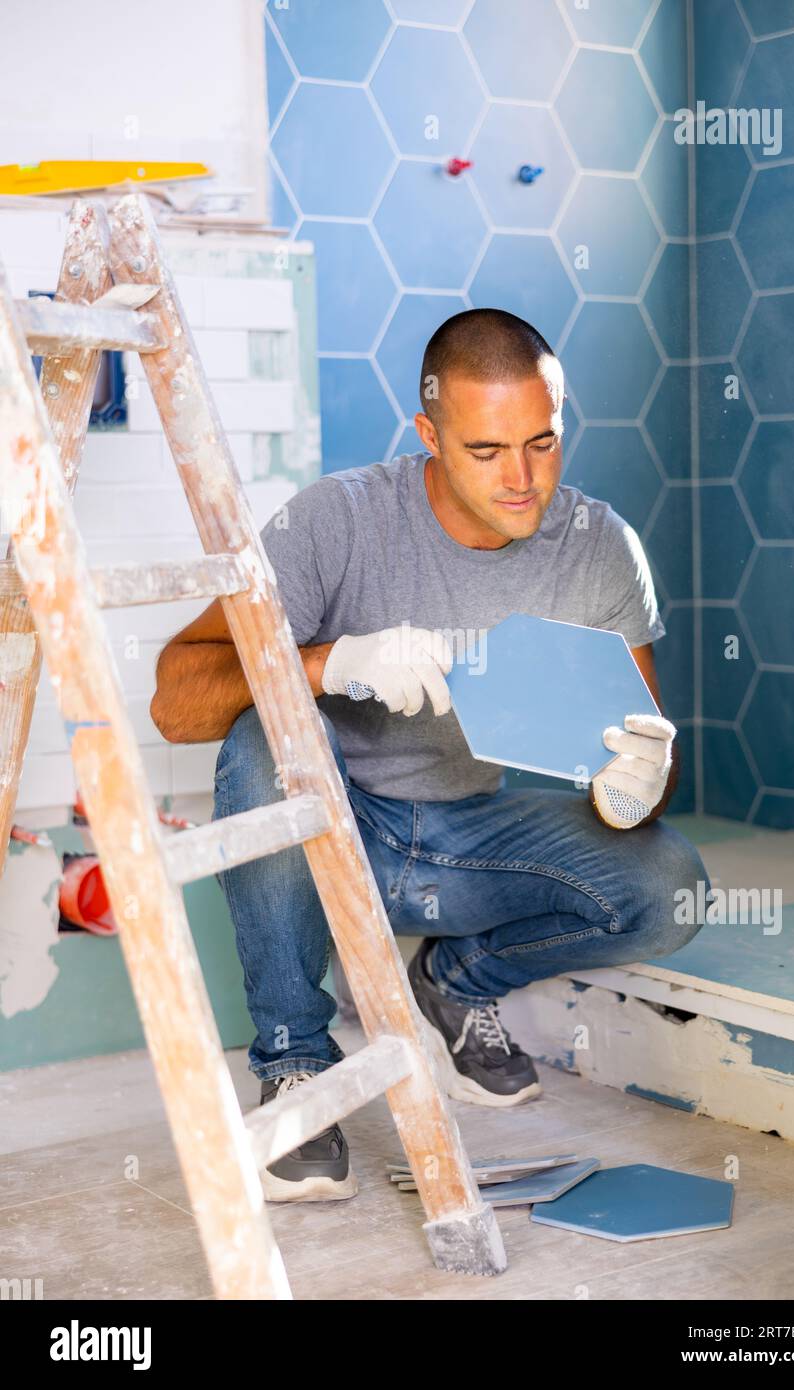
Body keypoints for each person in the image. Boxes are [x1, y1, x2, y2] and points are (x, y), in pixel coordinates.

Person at [151, 308, 707, 1203]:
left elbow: (639, 757)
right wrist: (332, 663)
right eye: (486, 451)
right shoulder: (339, 519)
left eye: (543, 442)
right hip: (339, 829)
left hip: (467, 836)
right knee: (266, 733)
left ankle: (453, 984)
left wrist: (640, 784)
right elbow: (176, 697)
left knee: (671, 882)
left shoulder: (601, 548)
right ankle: (297, 1067)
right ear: (430, 435)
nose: (522, 479)